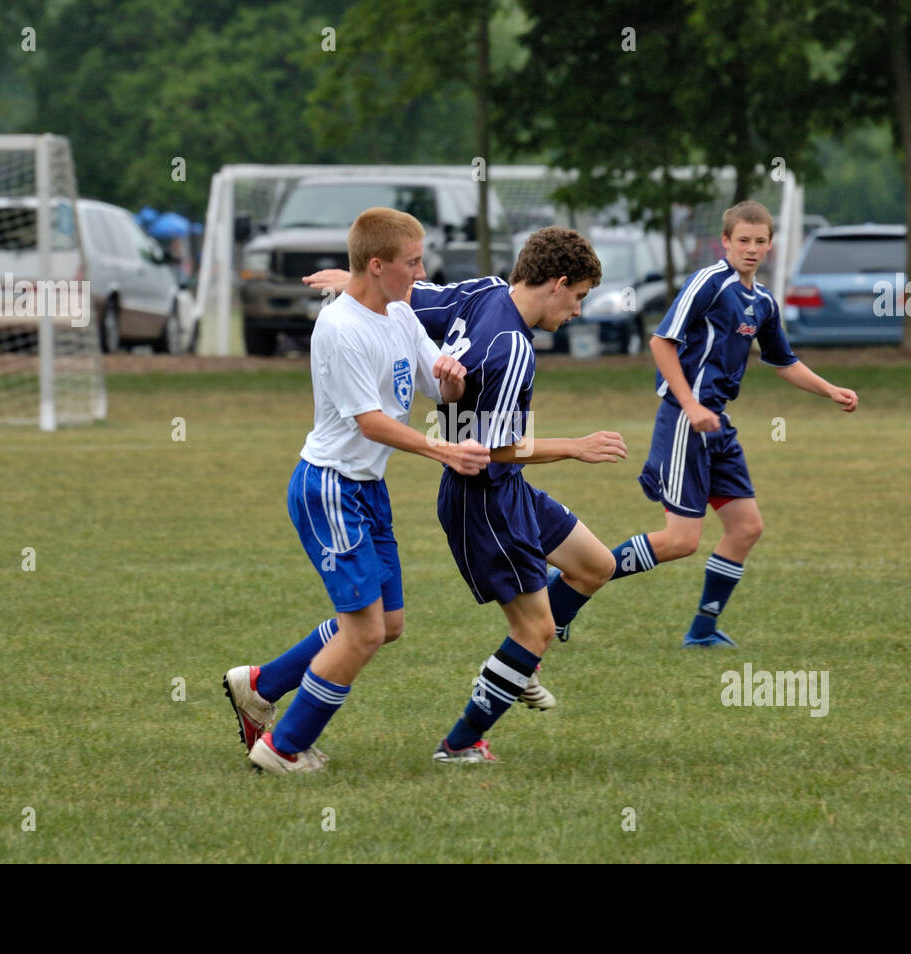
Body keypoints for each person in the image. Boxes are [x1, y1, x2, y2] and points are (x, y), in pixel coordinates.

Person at [222, 207, 489, 775]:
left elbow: (430, 381)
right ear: (376, 264)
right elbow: (369, 421)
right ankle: (283, 747)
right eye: (412, 263)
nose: (421, 274)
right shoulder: (339, 328)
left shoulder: (399, 311)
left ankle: (261, 685)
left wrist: (449, 378)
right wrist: (443, 449)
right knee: (363, 630)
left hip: (368, 487)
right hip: (330, 487)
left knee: (386, 626)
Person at [574, 200, 858, 649]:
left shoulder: (761, 301)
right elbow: (661, 342)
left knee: (746, 528)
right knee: (681, 540)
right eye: (742, 240)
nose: (751, 248)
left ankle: (702, 631)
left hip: (717, 426)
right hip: (686, 420)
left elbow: (782, 361)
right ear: (725, 241)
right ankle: (567, 593)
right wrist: (690, 405)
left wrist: (830, 390)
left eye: (760, 241)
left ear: (770, 245)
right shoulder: (709, 283)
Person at [414, 228, 627, 763]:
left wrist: (350, 280)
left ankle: (517, 665)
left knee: (595, 565)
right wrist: (575, 446)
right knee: (536, 631)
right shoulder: (513, 348)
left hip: (508, 491)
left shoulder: (485, 290)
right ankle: (459, 744)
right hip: (483, 500)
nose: (577, 311)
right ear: (556, 284)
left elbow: (412, 296)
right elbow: (494, 450)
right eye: (577, 296)